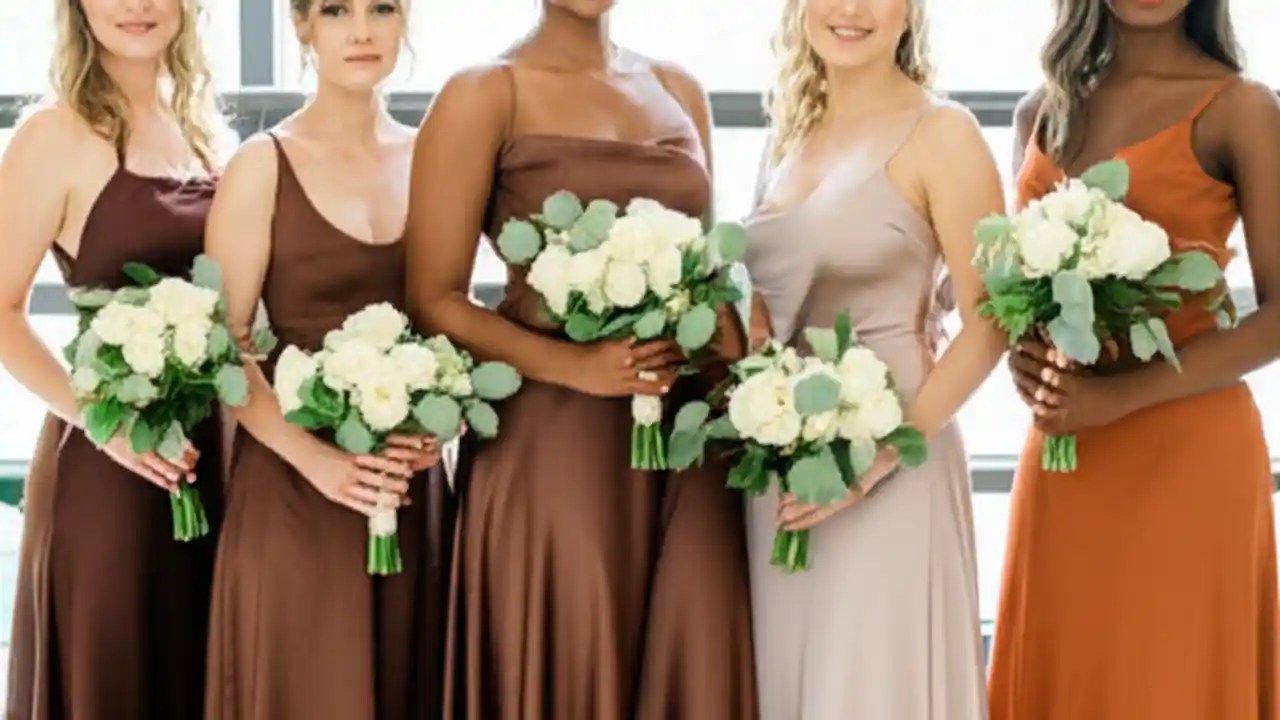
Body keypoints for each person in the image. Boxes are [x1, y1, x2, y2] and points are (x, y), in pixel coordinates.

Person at [404, 1, 757, 717]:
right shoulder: (484, 94)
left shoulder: (681, 89)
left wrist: (747, 380)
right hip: (555, 442)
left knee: (693, 649)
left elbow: (705, 276)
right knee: (570, 659)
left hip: (689, 446)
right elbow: (432, 296)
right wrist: (577, 367)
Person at [988, 1, 1280, 717]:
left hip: (1189, 459)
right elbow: (1017, 288)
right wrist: (1020, 358)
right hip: (1065, 460)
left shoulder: (1239, 109)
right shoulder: (1040, 113)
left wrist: (1118, 399)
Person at [742, 1, 1004, 718]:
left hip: (891, 471)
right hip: (783, 475)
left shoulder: (943, 133)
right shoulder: (787, 135)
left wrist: (870, 464)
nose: (850, 9)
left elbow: (988, 325)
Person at [202, 1, 450, 717]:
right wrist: (319, 464)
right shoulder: (261, 165)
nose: (362, 31)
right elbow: (226, 344)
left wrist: (443, 427)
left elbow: (453, 323)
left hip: (407, 490)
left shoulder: (434, 159)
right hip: (293, 493)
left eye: (382, 8)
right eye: (336, 10)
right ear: (301, 27)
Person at [0, 1, 228, 717]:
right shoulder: (53, 134)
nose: (139, 5)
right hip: (113, 474)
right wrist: (107, 426)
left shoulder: (202, 131)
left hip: (217, 462)